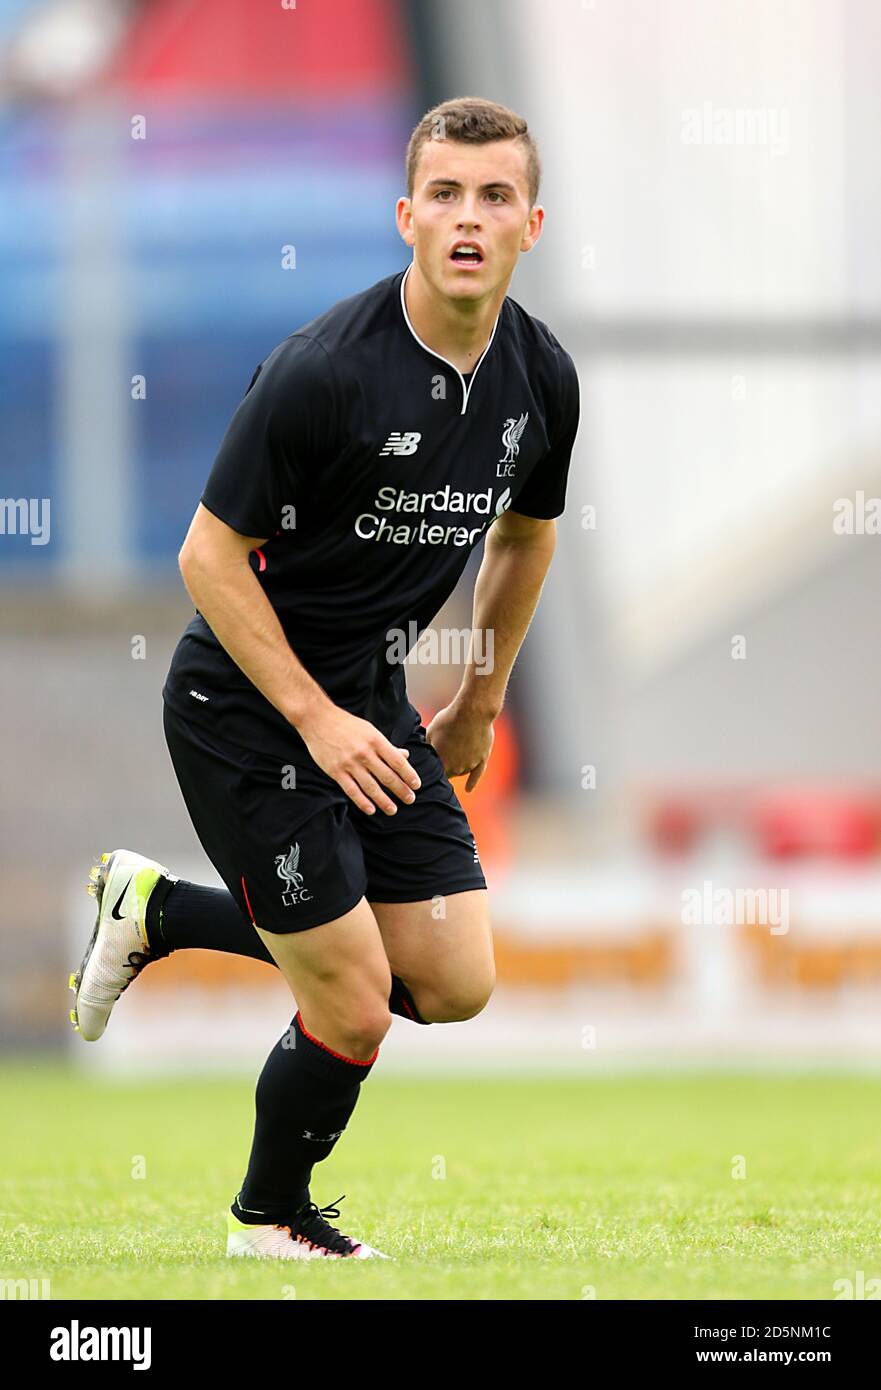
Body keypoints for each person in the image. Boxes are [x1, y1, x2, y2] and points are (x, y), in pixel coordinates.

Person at [69, 95, 580, 1262]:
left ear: (530, 225)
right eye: (443, 194)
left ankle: (155, 911)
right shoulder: (324, 372)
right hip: (245, 713)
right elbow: (206, 555)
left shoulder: (540, 378)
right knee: (350, 997)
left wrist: (483, 696)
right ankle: (270, 1222)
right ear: (405, 216)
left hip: (373, 703)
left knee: (452, 979)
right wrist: (314, 717)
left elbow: (525, 535)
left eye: (492, 196)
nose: (466, 217)